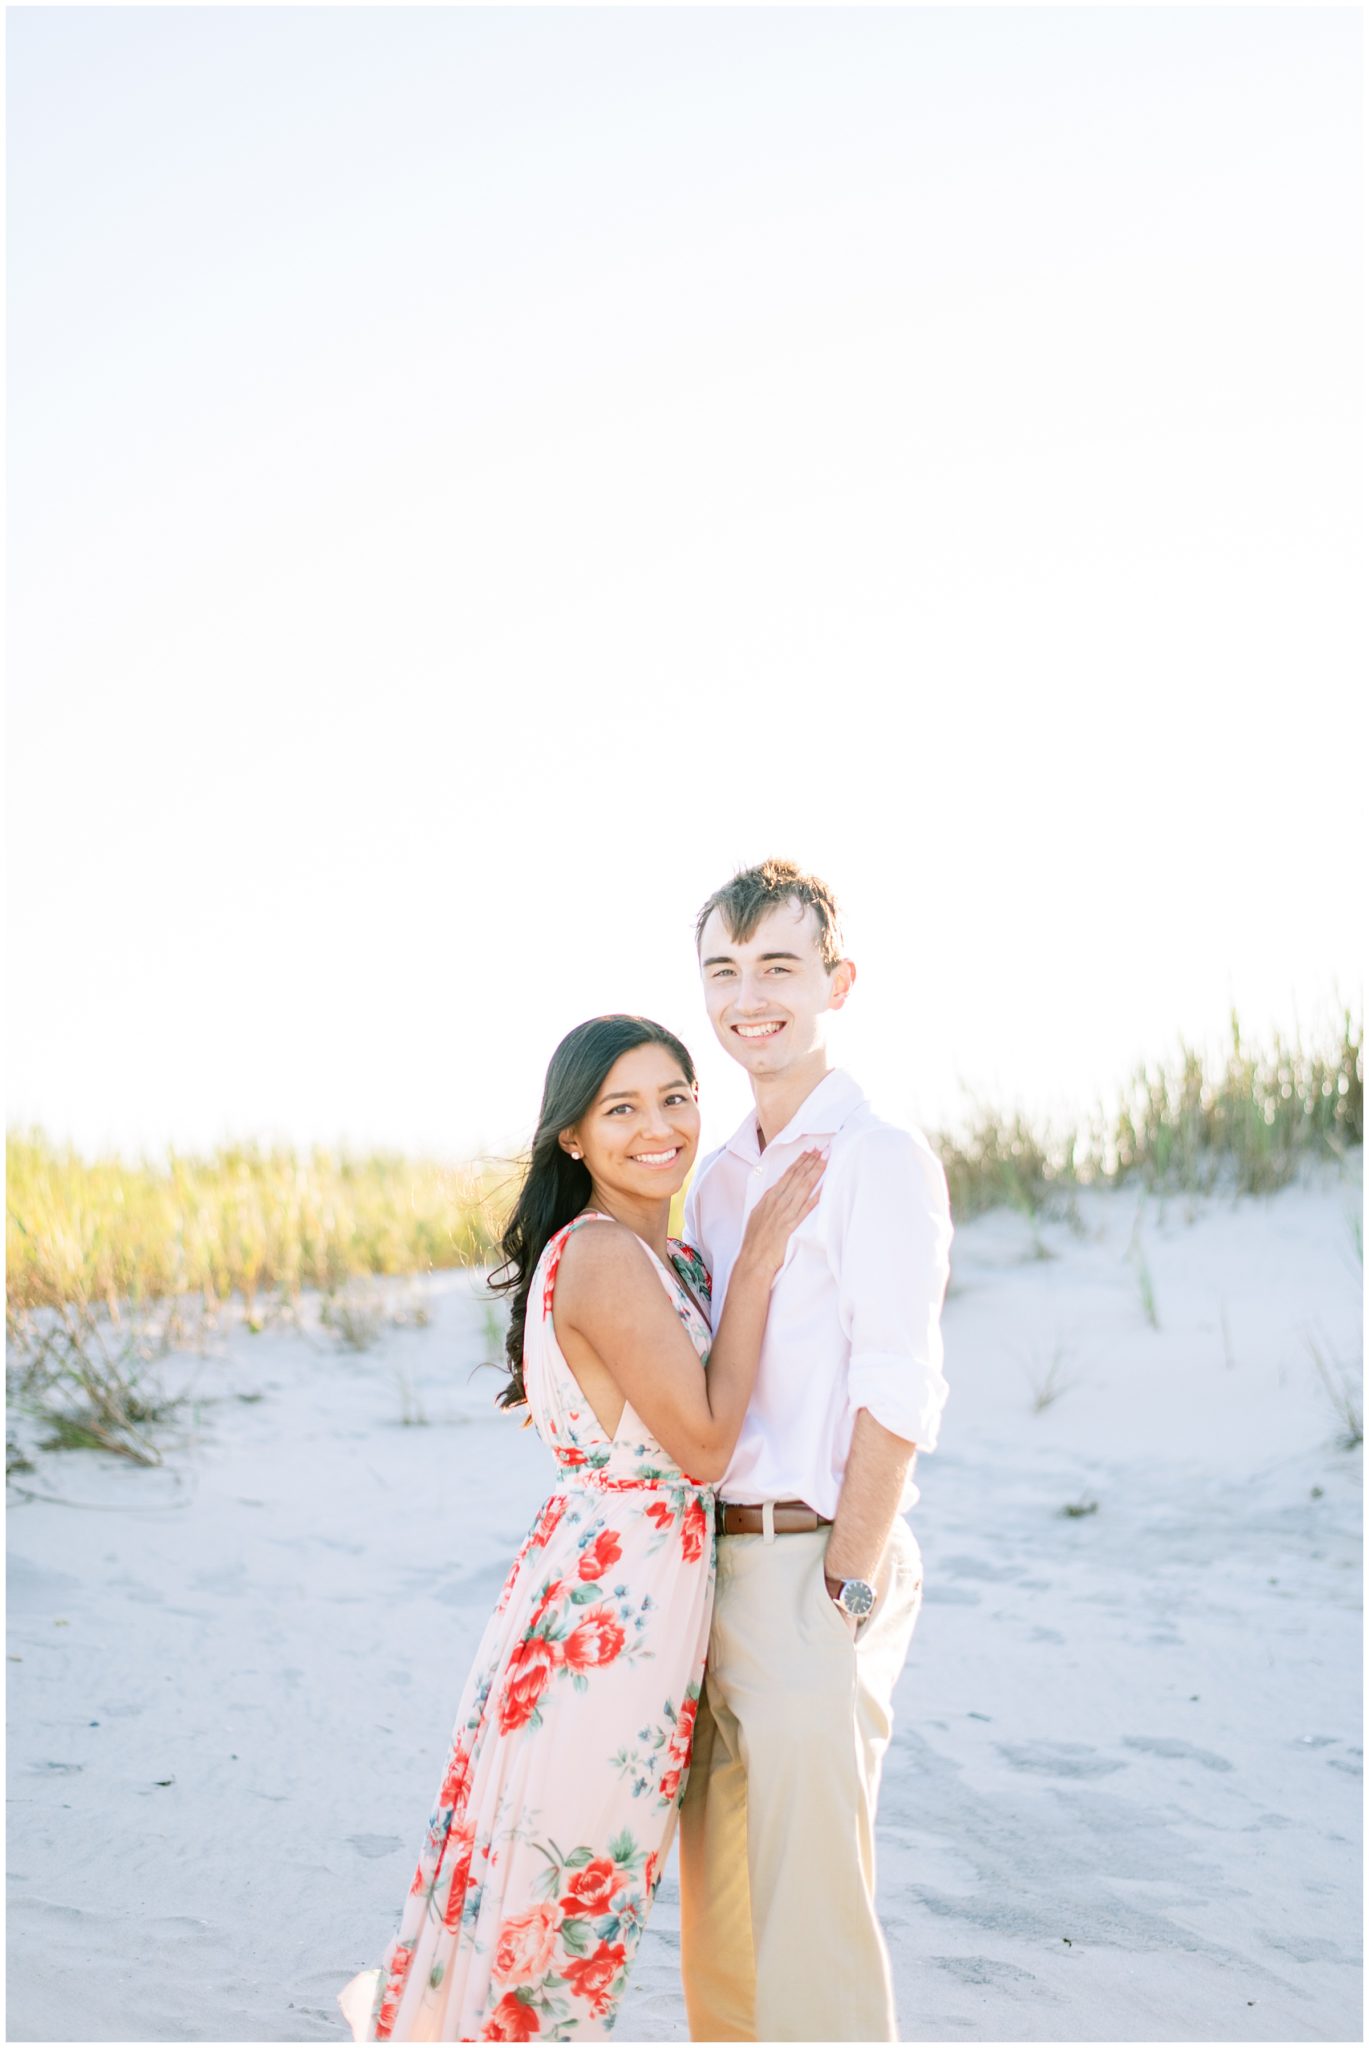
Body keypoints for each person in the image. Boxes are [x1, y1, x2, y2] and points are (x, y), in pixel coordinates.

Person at [337, 1013, 823, 2043]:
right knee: (559, 1904)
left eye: (675, 1097)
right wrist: (762, 1260)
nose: (657, 1126)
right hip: (606, 1621)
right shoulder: (602, 1255)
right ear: (572, 1135)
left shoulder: (668, 1256)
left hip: (630, 1596)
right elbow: (700, 1444)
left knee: (575, 1895)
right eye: (621, 1107)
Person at [678, 859, 953, 2044]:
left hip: (813, 1564)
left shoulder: (878, 1156)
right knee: (722, 1912)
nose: (750, 997)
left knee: (815, 1920)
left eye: (778, 967)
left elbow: (901, 1385)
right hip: (712, 1570)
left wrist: (847, 1575)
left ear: (836, 981)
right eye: (724, 972)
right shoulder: (716, 1175)